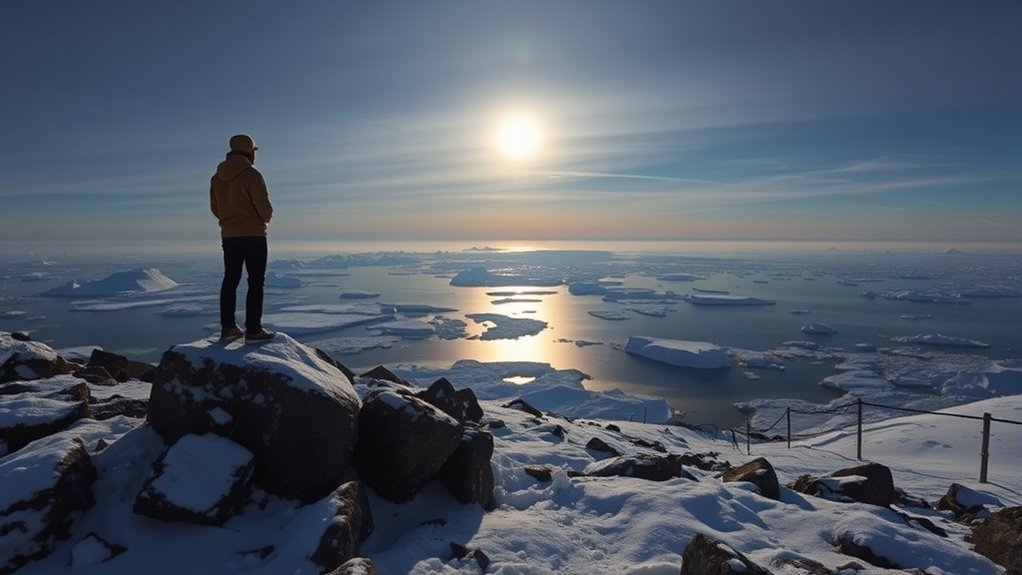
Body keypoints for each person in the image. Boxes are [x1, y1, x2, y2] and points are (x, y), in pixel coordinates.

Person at [210, 133, 275, 343]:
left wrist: (230, 221)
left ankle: (228, 328)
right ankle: (253, 330)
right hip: (254, 235)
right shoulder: (252, 175)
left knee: (230, 279)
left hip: (229, 236)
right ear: (249, 151)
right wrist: (260, 219)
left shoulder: (216, 177)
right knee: (256, 281)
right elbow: (264, 210)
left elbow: (215, 208)